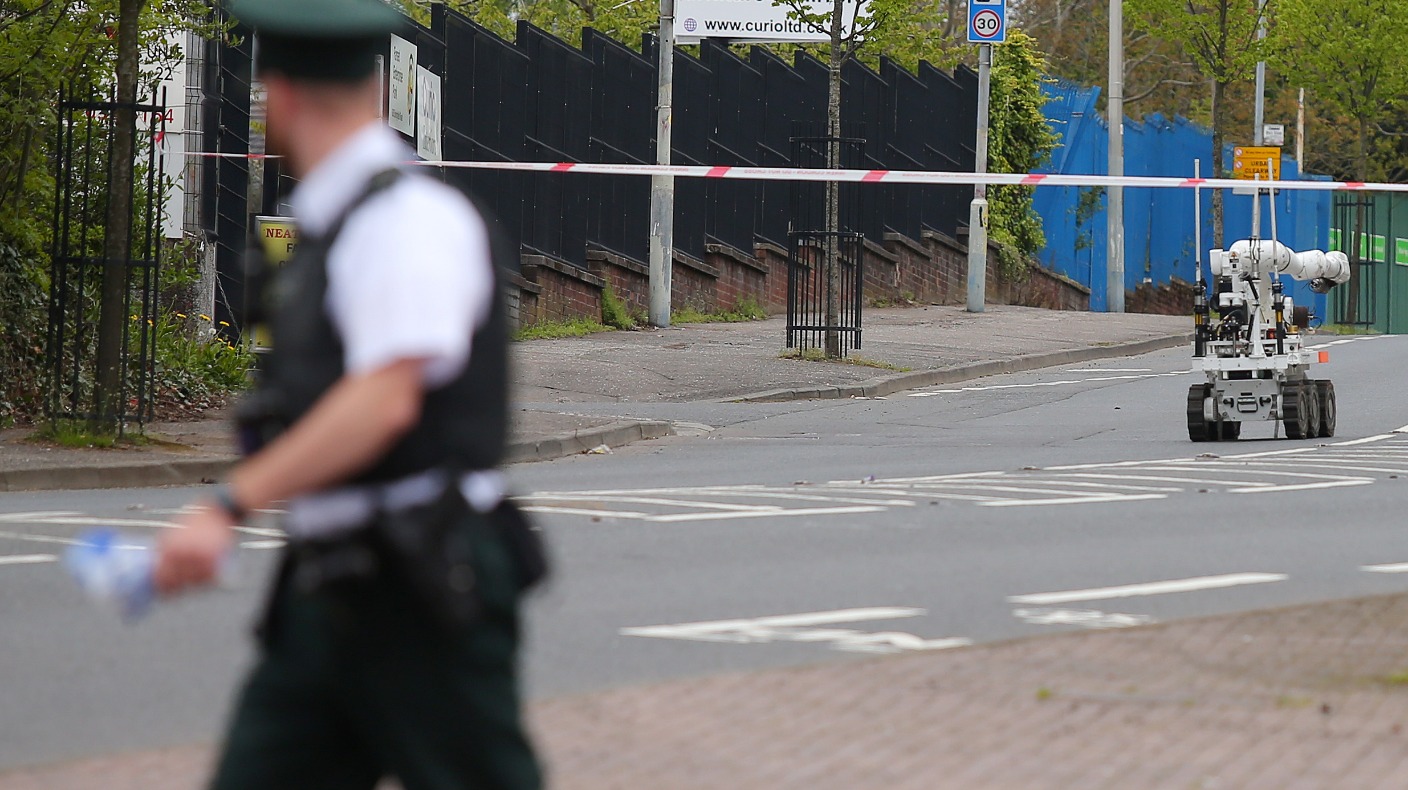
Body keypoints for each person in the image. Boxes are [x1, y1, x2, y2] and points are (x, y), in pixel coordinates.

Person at [153, 0, 544, 787]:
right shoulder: (335, 220)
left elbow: (384, 401)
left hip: (420, 584)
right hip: (329, 584)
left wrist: (230, 503)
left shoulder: (403, 222)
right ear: (377, 89)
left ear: (277, 96)